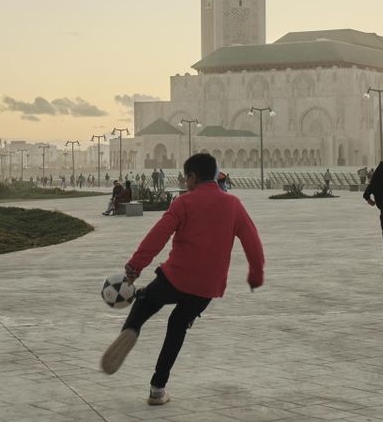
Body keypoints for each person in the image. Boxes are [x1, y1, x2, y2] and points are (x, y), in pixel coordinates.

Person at [100, 152, 265, 406]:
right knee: (177, 327)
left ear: (193, 177)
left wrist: (135, 266)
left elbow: (159, 234)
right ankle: (157, 389)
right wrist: (255, 275)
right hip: (207, 287)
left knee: (144, 302)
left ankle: (130, 330)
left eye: (186, 178)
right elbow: (252, 241)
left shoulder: (184, 202)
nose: (186, 183)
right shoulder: (233, 204)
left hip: (175, 277)